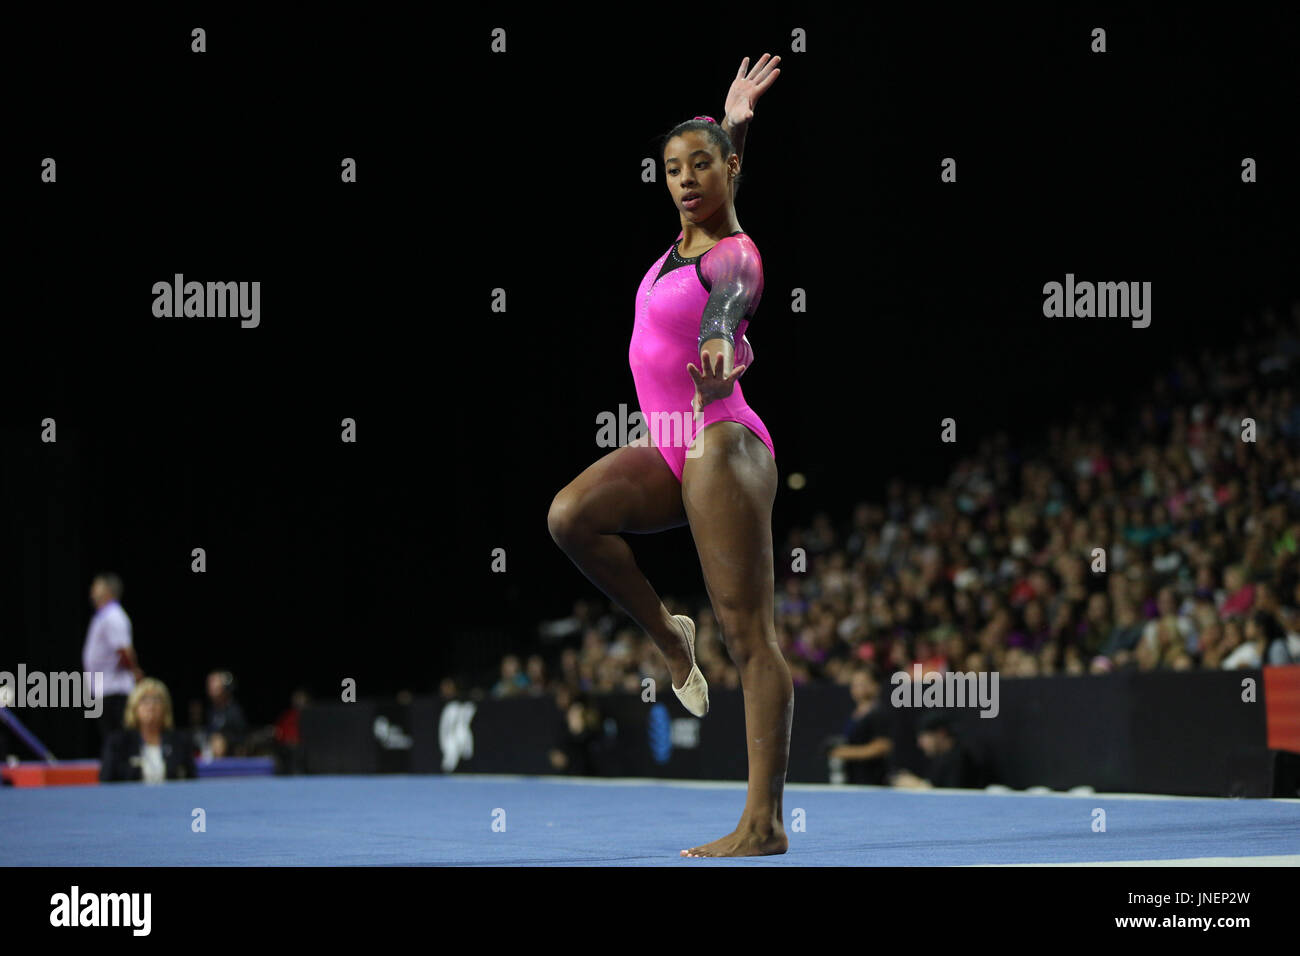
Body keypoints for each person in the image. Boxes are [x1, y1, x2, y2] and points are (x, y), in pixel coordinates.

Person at [547, 54, 784, 858]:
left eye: (702, 166)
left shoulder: (734, 253)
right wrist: (733, 121)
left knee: (751, 636)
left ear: (730, 171)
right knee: (571, 517)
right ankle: (669, 638)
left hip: (722, 442)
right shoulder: (678, 241)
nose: (686, 180)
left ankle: (764, 823)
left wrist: (720, 340)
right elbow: (716, 183)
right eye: (673, 170)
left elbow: (732, 297)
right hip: (672, 445)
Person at [81, 573, 142, 748]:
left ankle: (120, 774)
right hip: (105, 689)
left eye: (96, 586)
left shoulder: (114, 615)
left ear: (108, 591)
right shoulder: (102, 616)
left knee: (119, 740)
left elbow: (124, 650)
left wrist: (135, 672)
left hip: (116, 691)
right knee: (111, 739)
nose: (92, 591)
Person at [99, 678, 196, 783]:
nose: (151, 706)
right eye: (144, 700)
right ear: (134, 708)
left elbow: (192, 783)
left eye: (157, 700)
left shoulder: (180, 742)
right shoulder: (118, 743)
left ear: (166, 708)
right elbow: (106, 782)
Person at [828, 667, 894, 785]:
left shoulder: (878, 713)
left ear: (876, 686)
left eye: (863, 684)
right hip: (854, 778)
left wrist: (845, 753)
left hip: (873, 780)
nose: (857, 688)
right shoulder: (854, 714)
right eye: (855, 684)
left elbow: (882, 747)